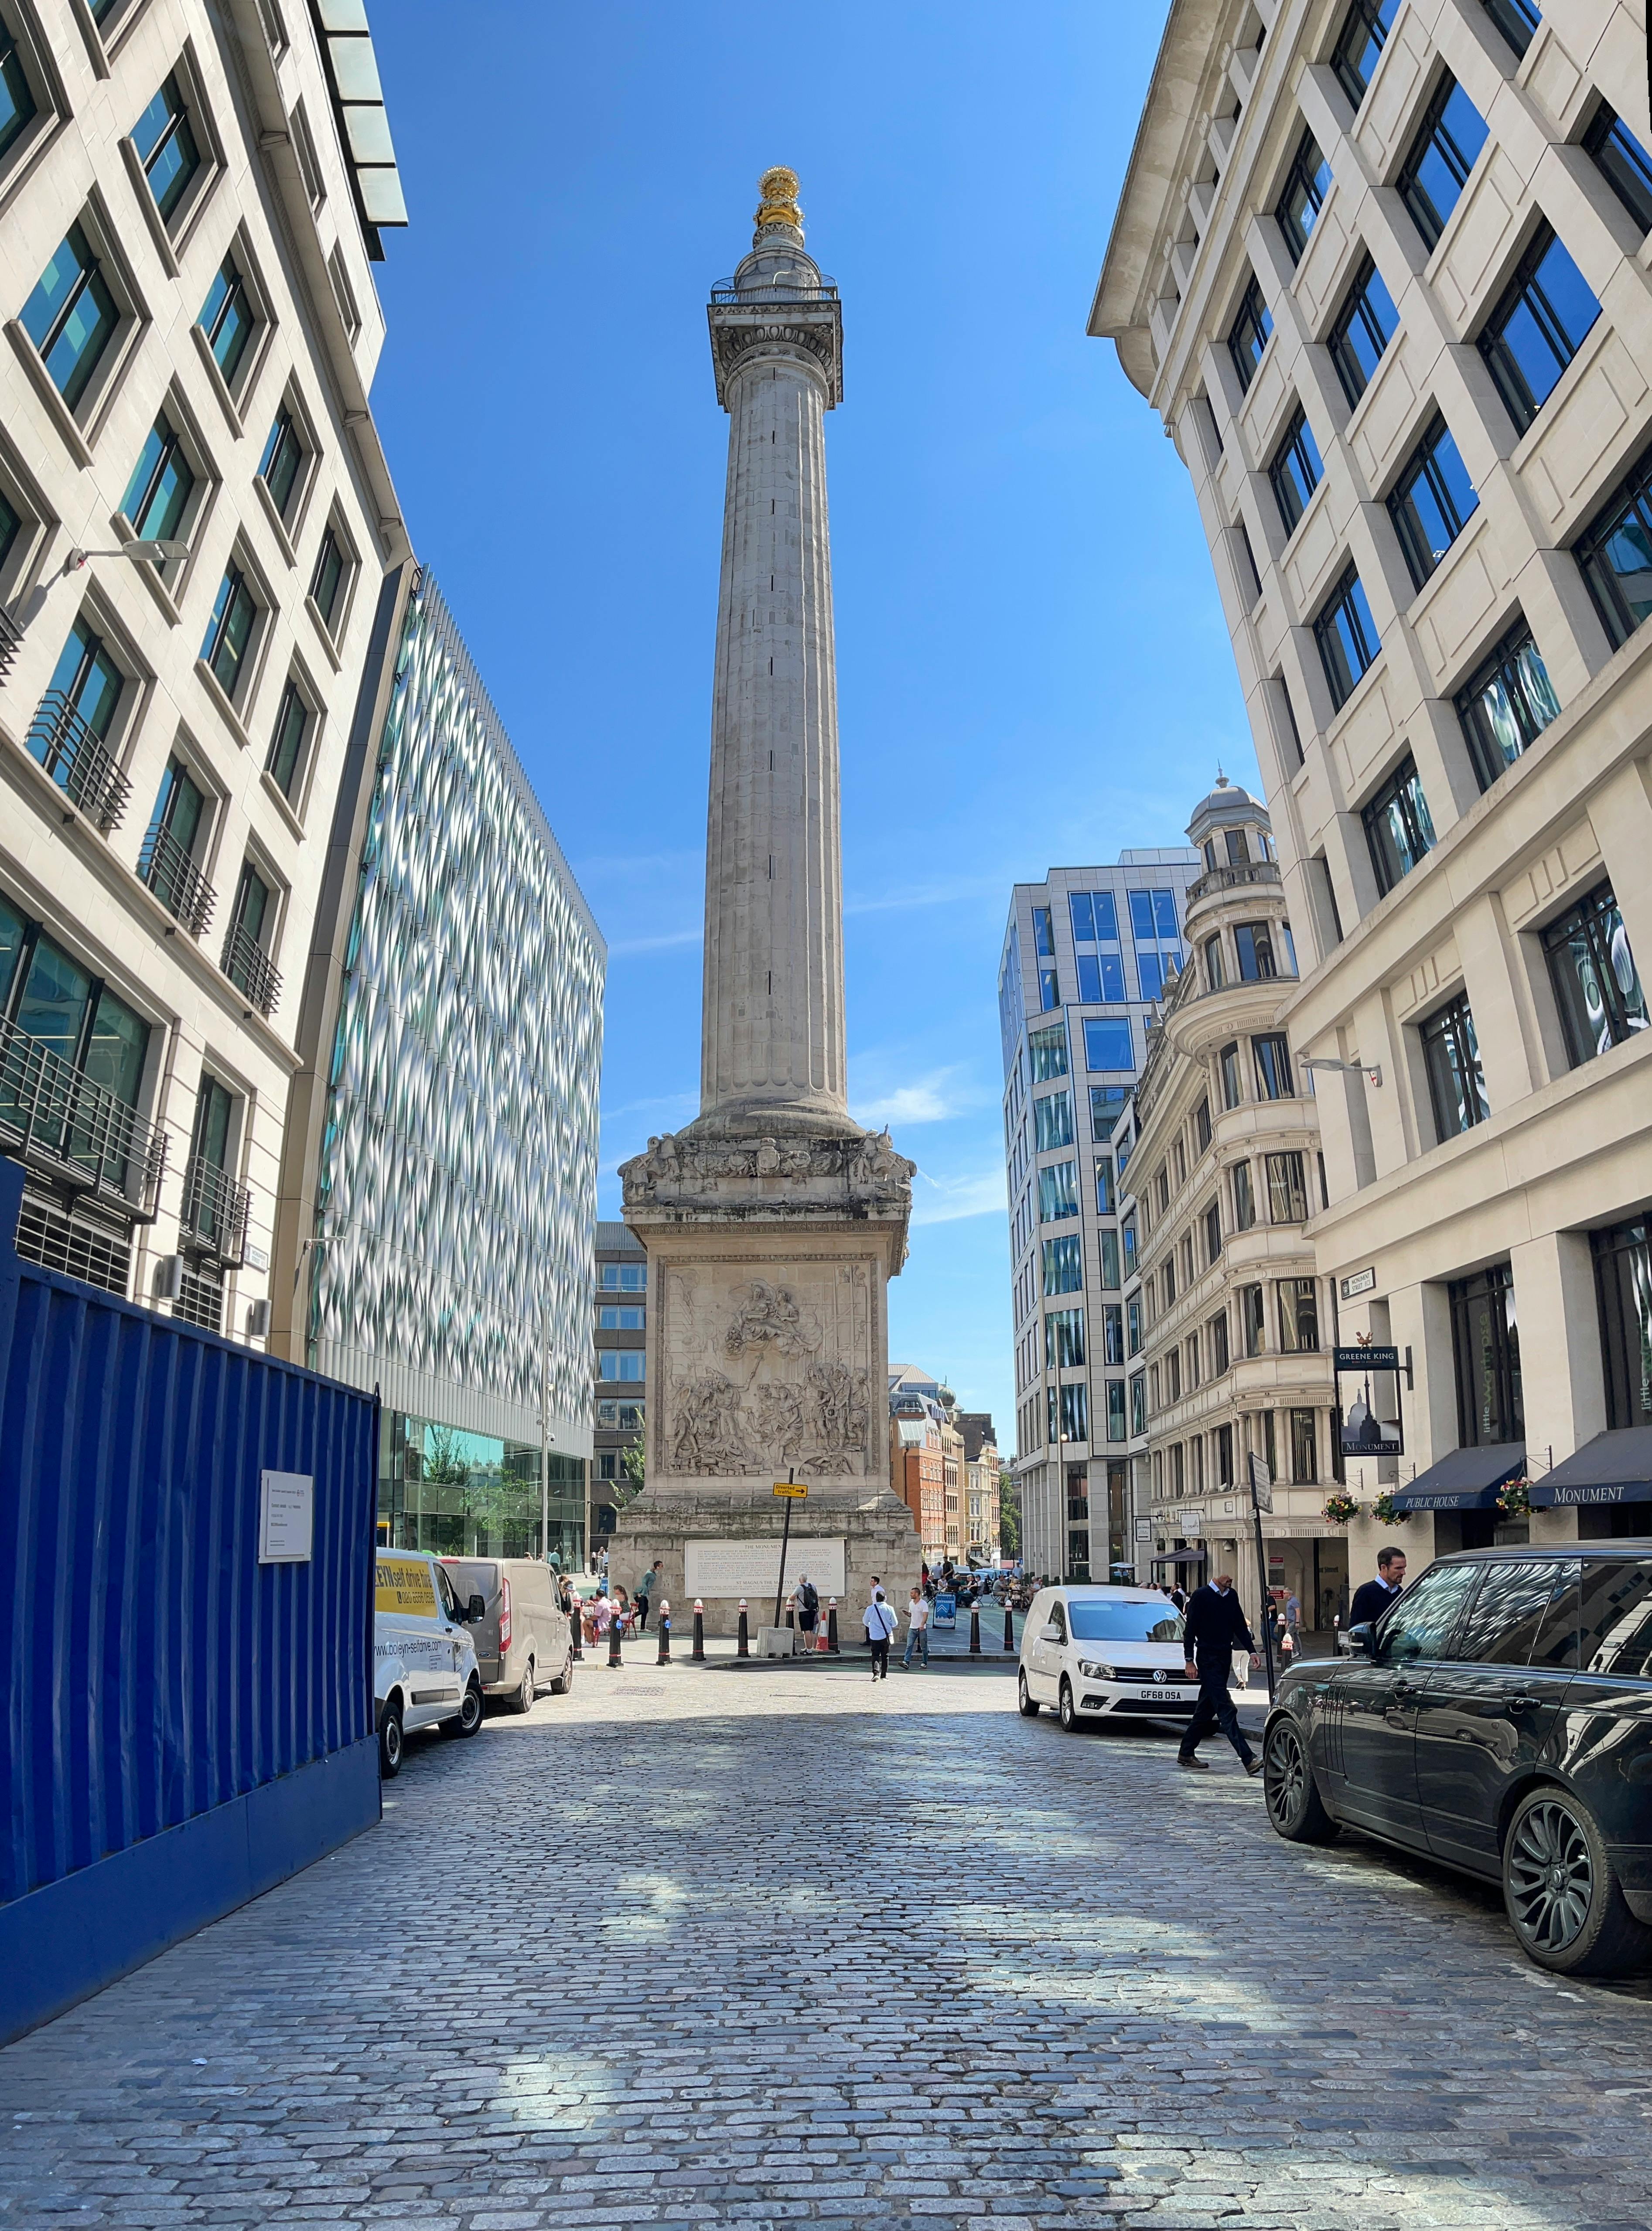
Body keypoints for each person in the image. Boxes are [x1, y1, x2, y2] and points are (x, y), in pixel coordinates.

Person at [1177, 1573, 1263, 1774]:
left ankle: (1186, 1752)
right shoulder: (1201, 1595)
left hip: (1224, 1657)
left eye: (1232, 1577)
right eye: (1227, 1576)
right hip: (1207, 1658)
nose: (1230, 1579)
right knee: (1225, 1708)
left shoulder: (1231, 1596)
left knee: (1205, 1709)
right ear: (1216, 1576)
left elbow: (1240, 1627)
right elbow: (1190, 1631)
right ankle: (1248, 1758)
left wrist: (1252, 1651)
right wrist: (1189, 1660)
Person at [1349, 1547, 1407, 1630]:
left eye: (1404, 1568)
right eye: (1398, 1568)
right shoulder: (1366, 1592)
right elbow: (1355, 1629)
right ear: (1384, 1568)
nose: (1403, 1573)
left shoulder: (1400, 1592)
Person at [864, 1586, 896, 1680]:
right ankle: (884, 1675)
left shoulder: (870, 1609)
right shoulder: (890, 1608)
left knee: (875, 1655)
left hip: (874, 1636)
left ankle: (876, 1673)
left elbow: (865, 1621)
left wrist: (872, 1626)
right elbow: (895, 1623)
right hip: (885, 1636)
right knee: (885, 1656)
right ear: (885, 1598)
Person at [902, 1584, 931, 1671]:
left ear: (917, 1594)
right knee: (909, 1645)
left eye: (912, 1593)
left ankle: (924, 1662)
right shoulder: (911, 1603)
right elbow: (912, 1614)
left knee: (924, 1647)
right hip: (912, 1627)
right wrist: (908, 1614)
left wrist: (922, 1624)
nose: (911, 1594)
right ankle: (906, 1662)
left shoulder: (924, 1604)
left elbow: (925, 1615)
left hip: (922, 1628)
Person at [635, 1559, 664, 1631]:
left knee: (645, 1610)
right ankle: (628, 1618)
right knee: (643, 1611)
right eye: (661, 1566)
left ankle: (642, 1628)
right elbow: (643, 1582)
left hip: (643, 1594)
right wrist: (640, 1593)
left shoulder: (652, 1574)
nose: (662, 1568)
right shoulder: (649, 1574)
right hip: (641, 1594)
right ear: (657, 1567)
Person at [795, 1571, 820, 1642]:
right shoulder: (813, 1586)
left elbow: (792, 1597)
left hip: (804, 1611)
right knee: (812, 1630)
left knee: (807, 1631)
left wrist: (789, 1597)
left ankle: (808, 1649)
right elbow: (817, 1597)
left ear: (800, 1580)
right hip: (812, 1610)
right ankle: (811, 1648)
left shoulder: (800, 1588)